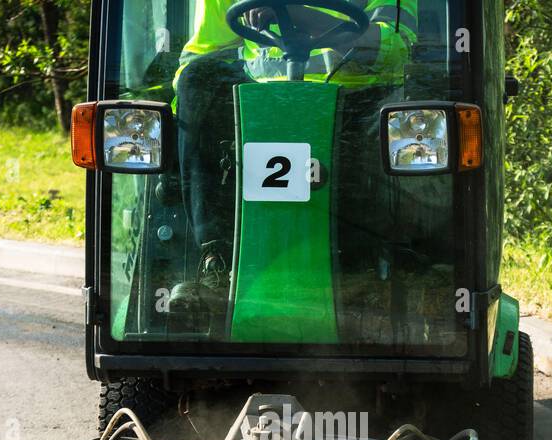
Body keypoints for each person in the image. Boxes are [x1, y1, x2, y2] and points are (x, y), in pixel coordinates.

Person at [169, 1, 417, 316]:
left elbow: (395, 51)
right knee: (197, 79)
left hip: (357, 102)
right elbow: (200, 55)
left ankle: (368, 274)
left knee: (399, 126)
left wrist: (296, 14)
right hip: (255, 100)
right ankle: (214, 260)